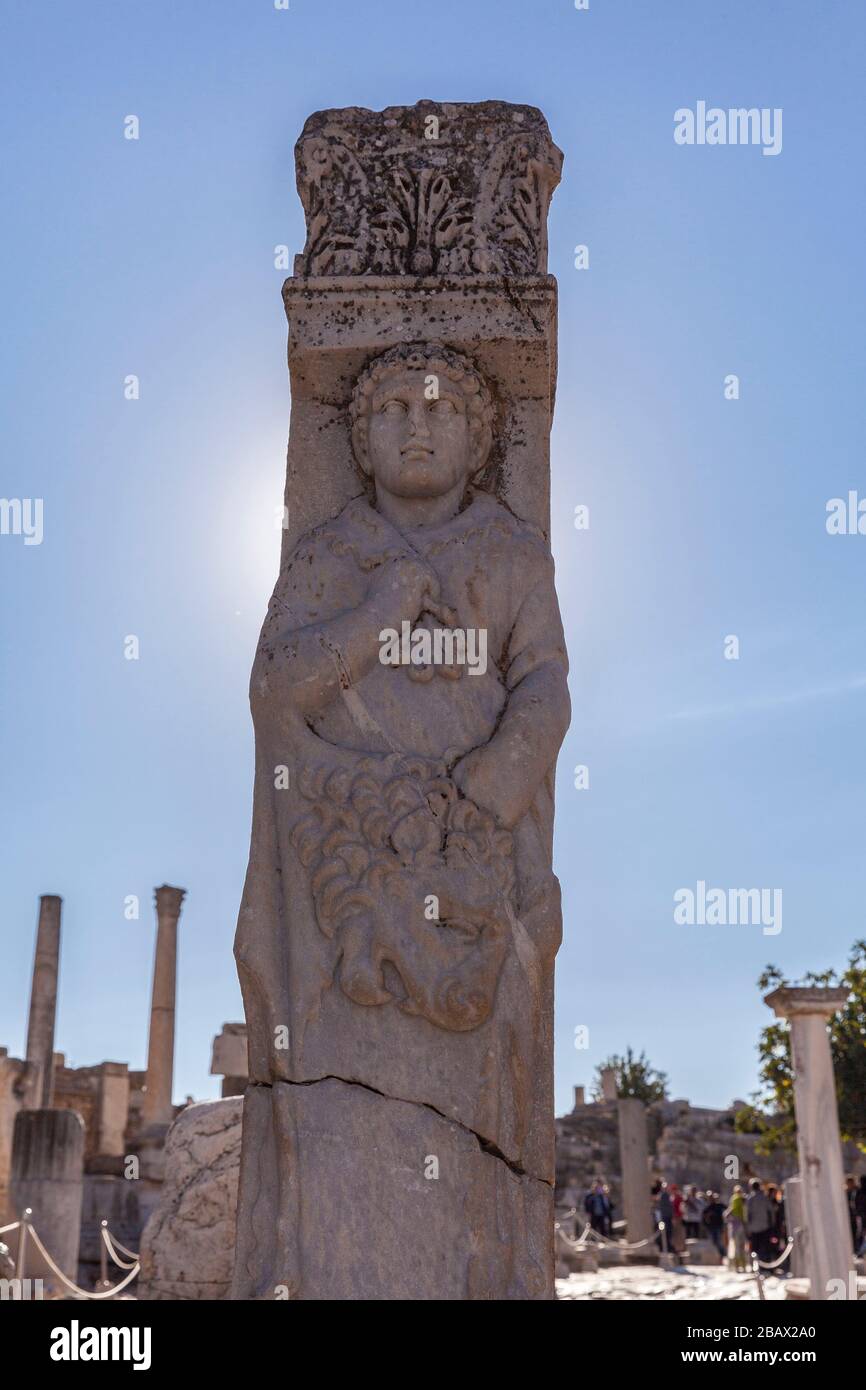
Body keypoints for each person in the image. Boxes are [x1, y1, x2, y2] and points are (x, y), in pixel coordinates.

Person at [746, 1178, 774, 1266]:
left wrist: (748, 1228)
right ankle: (766, 1266)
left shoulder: (750, 1199)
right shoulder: (764, 1197)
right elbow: (770, 1212)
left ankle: (756, 1266)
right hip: (765, 1227)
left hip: (754, 1228)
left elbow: (748, 1215)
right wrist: (771, 1224)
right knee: (765, 1247)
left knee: (755, 1248)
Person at [725, 1185, 749, 1272]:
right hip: (743, 1226)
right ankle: (743, 1266)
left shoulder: (735, 1199)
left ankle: (738, 1266)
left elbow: (730, 1211)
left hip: (736, 1226)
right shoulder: (744, 1199)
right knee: (742, 1247)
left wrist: (727, 1215)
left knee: (737, 1248)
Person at [702, 1191, 726, 1258]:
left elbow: (726, 1210)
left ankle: (722, 1254)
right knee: (713, 1242)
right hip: (710, 1227)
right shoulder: (707, 1208)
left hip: (718, 1226)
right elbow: (704, 1218)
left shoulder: (719, 1205)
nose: (711, 1199)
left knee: (718, 1241)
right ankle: (718, 1255)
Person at [655, 1182, 676, 1256]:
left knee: (667, 1233)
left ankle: (666, 1247)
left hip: (666, 1218)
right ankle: (664, 1247)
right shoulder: (663, 1196)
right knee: (664, 1233)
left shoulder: (666, 1196)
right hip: (663, 1218)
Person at [855, 1175, 866, 1256]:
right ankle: (860, 1251)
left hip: (862, 1215)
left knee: (861, 1233)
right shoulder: (859, 1191)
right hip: (862, 1215)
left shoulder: (859, 1191)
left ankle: (860, 1251)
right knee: (861, 1233)